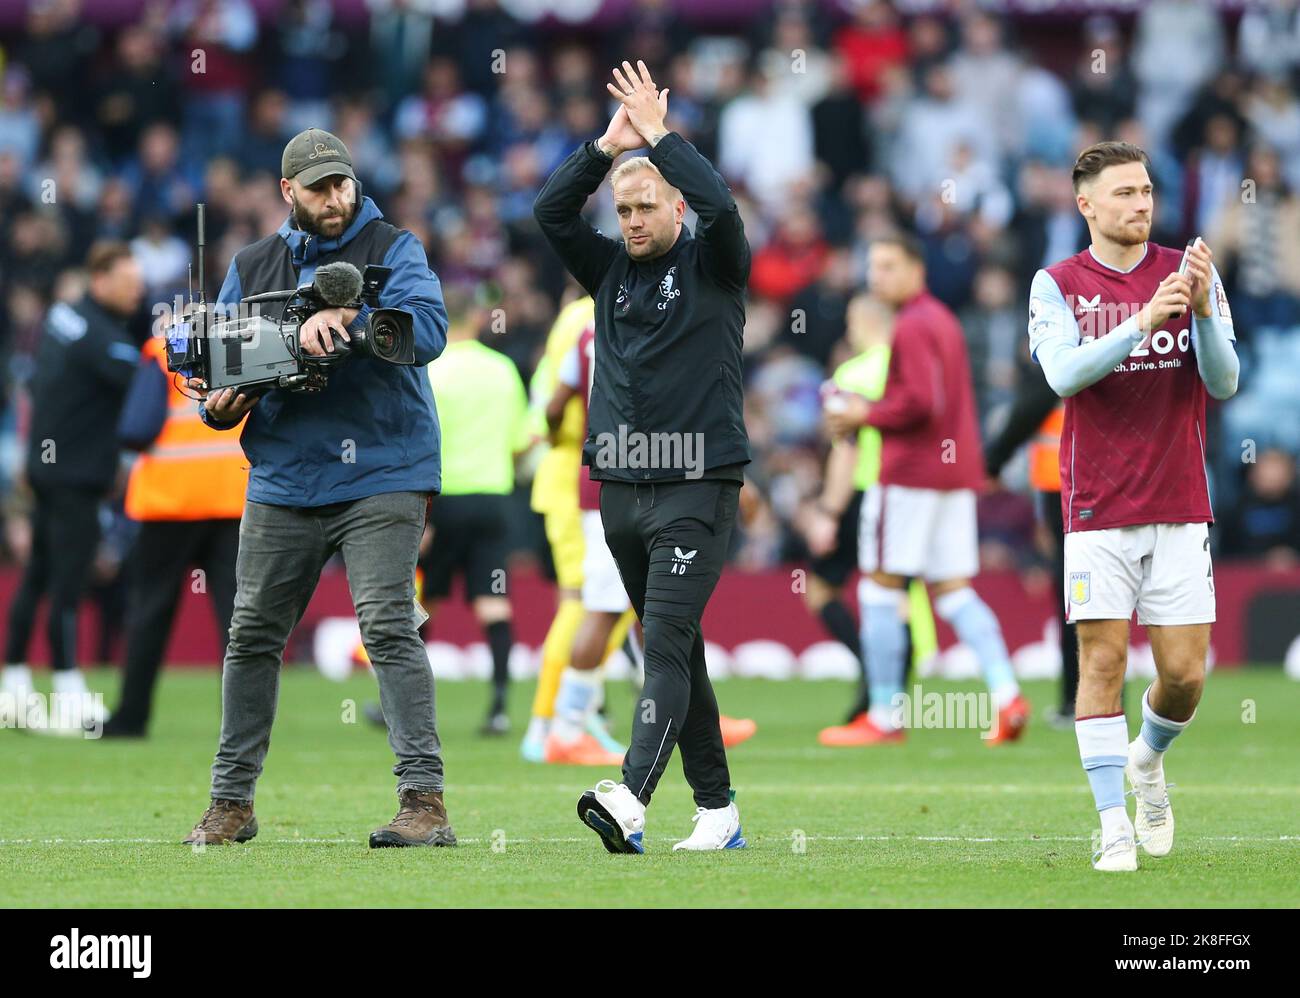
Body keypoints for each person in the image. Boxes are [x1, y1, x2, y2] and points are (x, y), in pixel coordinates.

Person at [180, 128, 454, 849]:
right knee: (250, 637)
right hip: (285, 473)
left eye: (343, 184)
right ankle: (230, 803)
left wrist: (353, 321)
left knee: (388, 625)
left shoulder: (394, 247)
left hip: (384, 469)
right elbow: (225, 368)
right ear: (286, 193)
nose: (336, 199)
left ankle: (424, 803)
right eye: (319, 188)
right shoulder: (252, 262)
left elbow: (428, 329)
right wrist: (221, 404)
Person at [534, 60, 750, 852]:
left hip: (698, 480)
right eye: (621, 209)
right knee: (678, 649)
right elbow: (550, 211)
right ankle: (719, 811)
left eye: (644, 205)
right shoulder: (609, 272)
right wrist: (605, 147)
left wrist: (659, 134)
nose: (629, 220)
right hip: (620, 485)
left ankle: (631, 796)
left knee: (660, 644)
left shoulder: (716, 263)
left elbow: (724, 204)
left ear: (676, 205)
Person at [1027, 140, 1238, 871]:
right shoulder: (1056, 284)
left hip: (1180, 503)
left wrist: (1204, 311)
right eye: (1123, 193)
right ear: (1086, 204)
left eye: (1146, 191)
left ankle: (1147, 759)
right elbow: (1062, 375)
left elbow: (1224, 382)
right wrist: (1141, 323)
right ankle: (1113, 822)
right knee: (1103, 660)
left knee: (1184, 676)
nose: (1141, 204)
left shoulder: (1192, 271)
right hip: (1096, 506)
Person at [824, 234, 1029, 747]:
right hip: (954, 477)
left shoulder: (913, 324)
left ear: (917, 268)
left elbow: (920, 402)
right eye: (873, 267)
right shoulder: (942, 320)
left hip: (911, 475)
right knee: (953, 591)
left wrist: (862, 413)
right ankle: (1006, 696)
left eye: (889, 265)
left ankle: (884, 713)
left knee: (877, 587)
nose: (878, 277)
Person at [2, 241, 144, 735]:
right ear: (99, 279)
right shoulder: (104, 340)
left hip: (46, 469)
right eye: (128, 286)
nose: (135, 295)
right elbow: (143, 380)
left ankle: (14, 692)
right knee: (67, 584)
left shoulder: (62, 318)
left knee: (38, 577)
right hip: (76, 479)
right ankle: (67, 696)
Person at [803, 292, 938, 741]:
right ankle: (888, 694)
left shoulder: (853, 374)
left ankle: (873, 674)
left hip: (862, 493)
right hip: (909, 493)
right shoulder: (909, 370)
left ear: (864, 321)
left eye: (850, 320)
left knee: (822, 588)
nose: (847, 329)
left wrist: (827, 510)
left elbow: (847, 449)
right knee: (895, 594)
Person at [102, 331, 248, 737]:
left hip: (169, 501)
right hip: (230, 499)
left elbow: (135, 427)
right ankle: (241, 727)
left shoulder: (160, 348)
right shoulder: (246, 343)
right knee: (238, 622)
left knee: (150, 612)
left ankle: (131, 717)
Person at [421, 293, 530, 735]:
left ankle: (400, 707)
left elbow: (419, 439)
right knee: (493, 603)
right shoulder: (502, 370)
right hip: (492, 500)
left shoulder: (431, 369)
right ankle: (500, 708)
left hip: (443, 502)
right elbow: (523, 441)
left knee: (423, 603)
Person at [984, 376, 1078, 728]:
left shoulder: (1063, 360)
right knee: (1087, 589)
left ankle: (1081, 701)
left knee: (1076, 590)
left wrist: (992, 460)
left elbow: (1027, 414)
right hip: (1072, 485)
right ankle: (1088, 700)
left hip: (1070, 486)